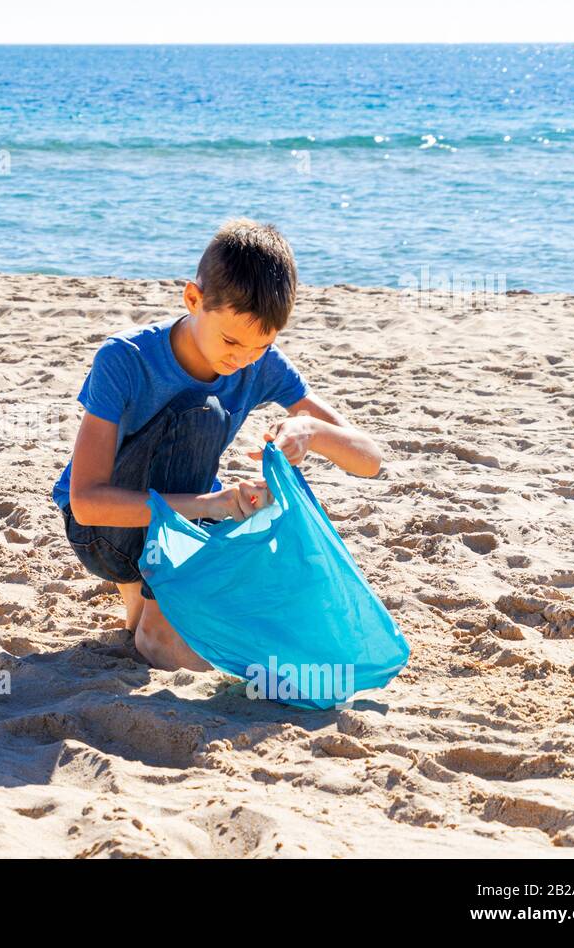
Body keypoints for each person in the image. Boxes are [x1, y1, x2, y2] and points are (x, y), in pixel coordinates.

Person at [53, 218, 384, 670]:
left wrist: (311, 431)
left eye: (260, 346)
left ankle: (143, 608)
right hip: (103, 533)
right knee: (202, 413)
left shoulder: (260, 363)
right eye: (230, 340)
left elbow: (369, 460)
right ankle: (155, 626)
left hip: (181, 520)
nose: (242, 359)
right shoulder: (125, 358)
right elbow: (87, 504)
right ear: (193, 299)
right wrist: (213, 504)